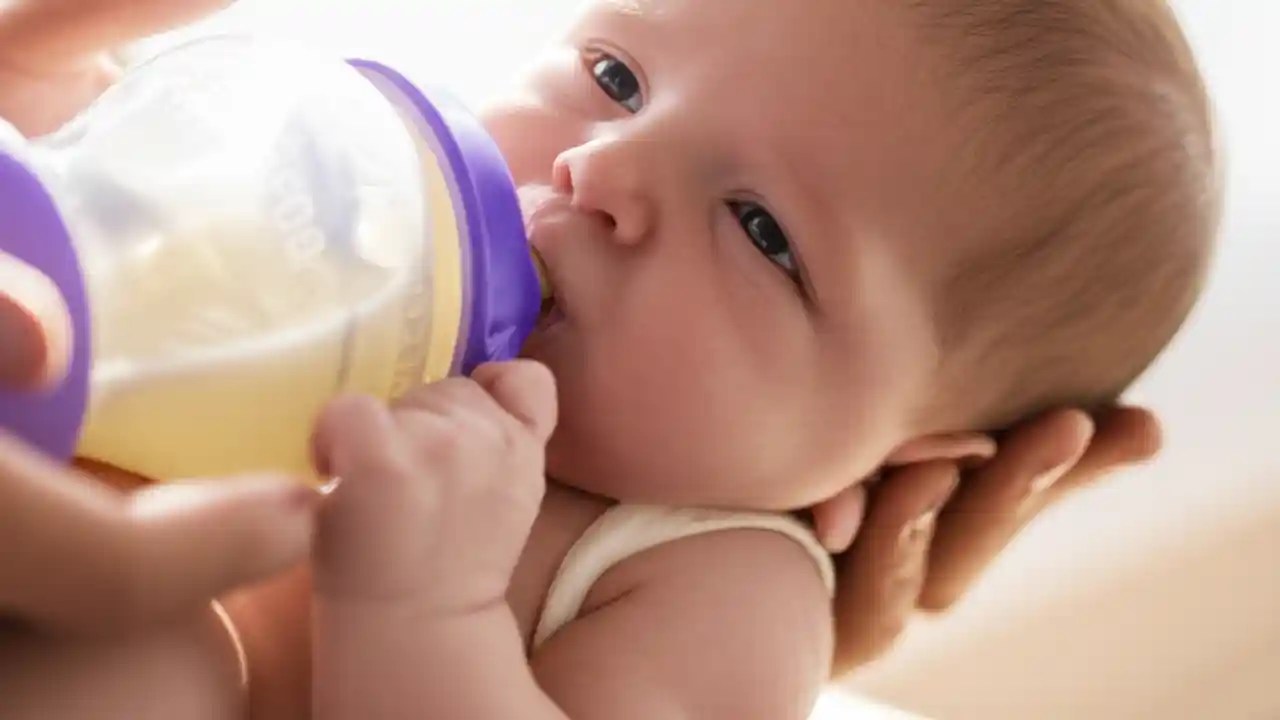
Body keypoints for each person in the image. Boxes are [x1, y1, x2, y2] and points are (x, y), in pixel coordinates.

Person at [0, 0, 1188, 717]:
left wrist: (423, 610)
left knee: (156, 672)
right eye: (616, 76)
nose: (600, 170)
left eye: (761, 229)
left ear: (908, 447)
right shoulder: (381, 277)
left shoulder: (716, 584)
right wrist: (63, 112)